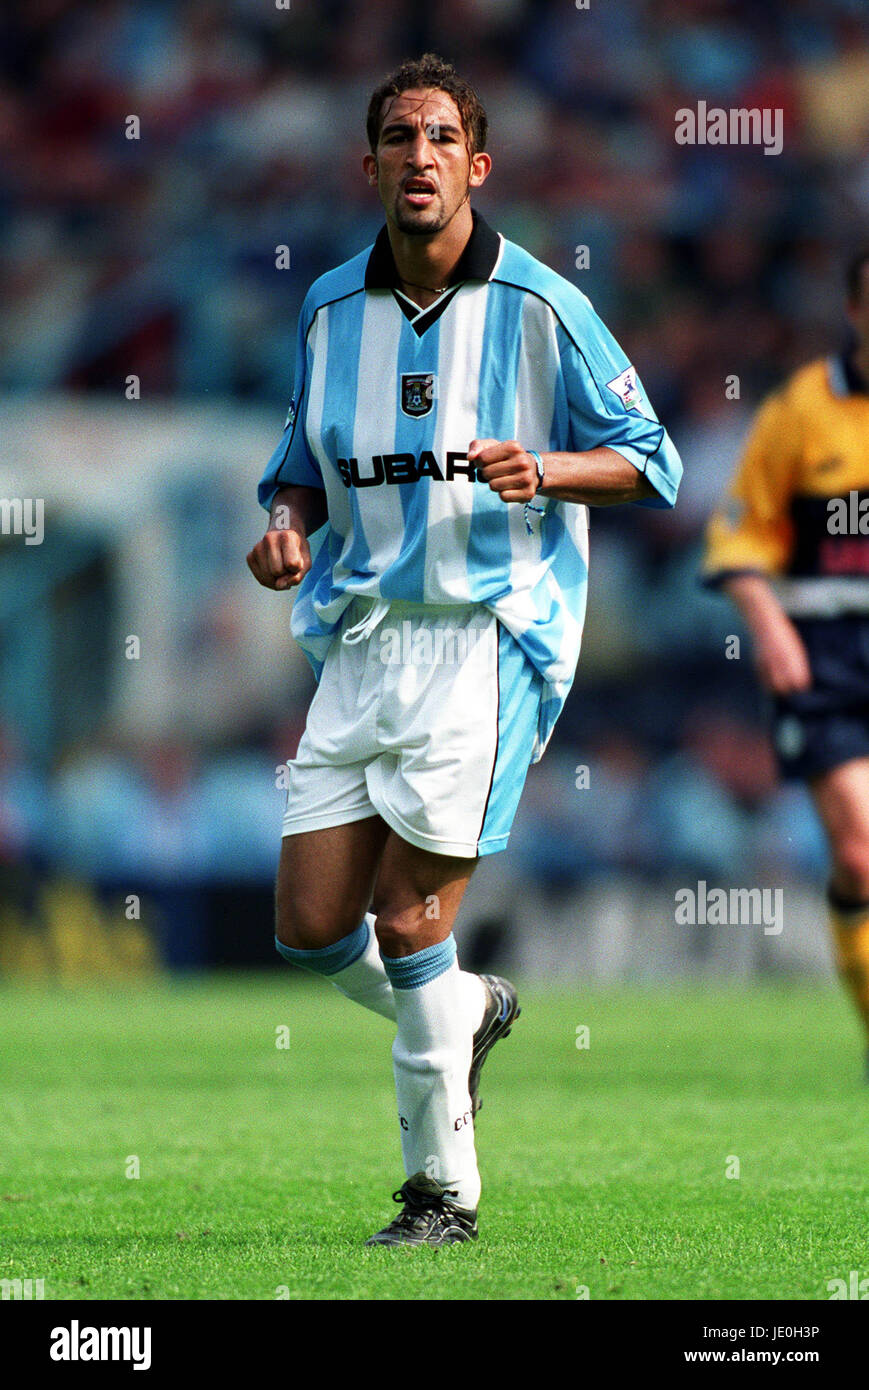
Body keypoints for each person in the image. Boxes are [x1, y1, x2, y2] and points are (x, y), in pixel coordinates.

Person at [247, 53, 682, 1246]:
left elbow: (653, 459)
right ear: (371, 163)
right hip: (362, 641)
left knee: (408, 914)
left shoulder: (543, 306)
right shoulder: (329, 305)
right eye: (399, 135)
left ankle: (440, 1194)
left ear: (476, 165)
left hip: (485, 641)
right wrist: (283, 532)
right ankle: (469, 1009)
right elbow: (297, 467)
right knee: (307, 925)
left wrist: (545, 466)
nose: (419, 154)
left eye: (441, 136)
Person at [703, 248, 869, 1077]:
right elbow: (738, 535)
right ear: (854, 310)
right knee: (858, 853)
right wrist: (767, 626)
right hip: (827, 653)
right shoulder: (802, 411)